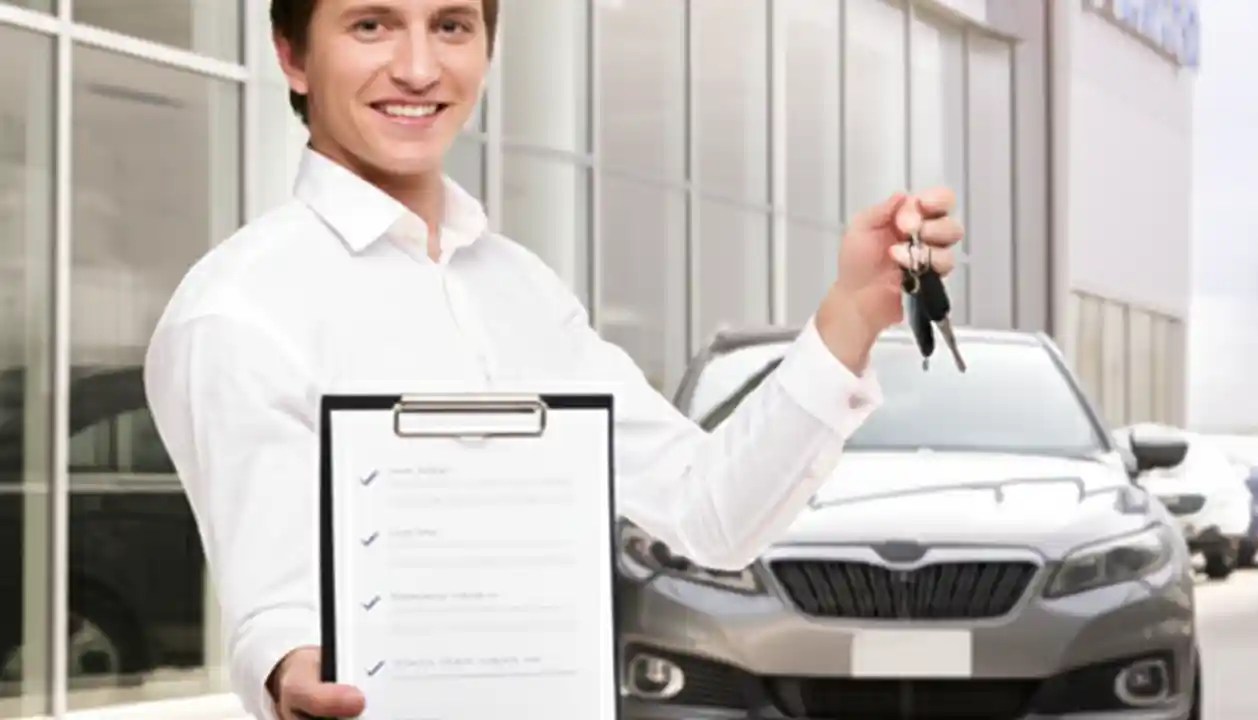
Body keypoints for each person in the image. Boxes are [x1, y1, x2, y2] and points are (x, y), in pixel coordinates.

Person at [142, 1, 964, 718]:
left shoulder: (519, 291)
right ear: (292, 54)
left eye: (452, 26)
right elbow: (275, 608)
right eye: (371, 25)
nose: (420, 67)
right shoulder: (241, 310)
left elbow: (712, 513)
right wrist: (291, 672)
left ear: (486, 52)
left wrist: (853, 313)